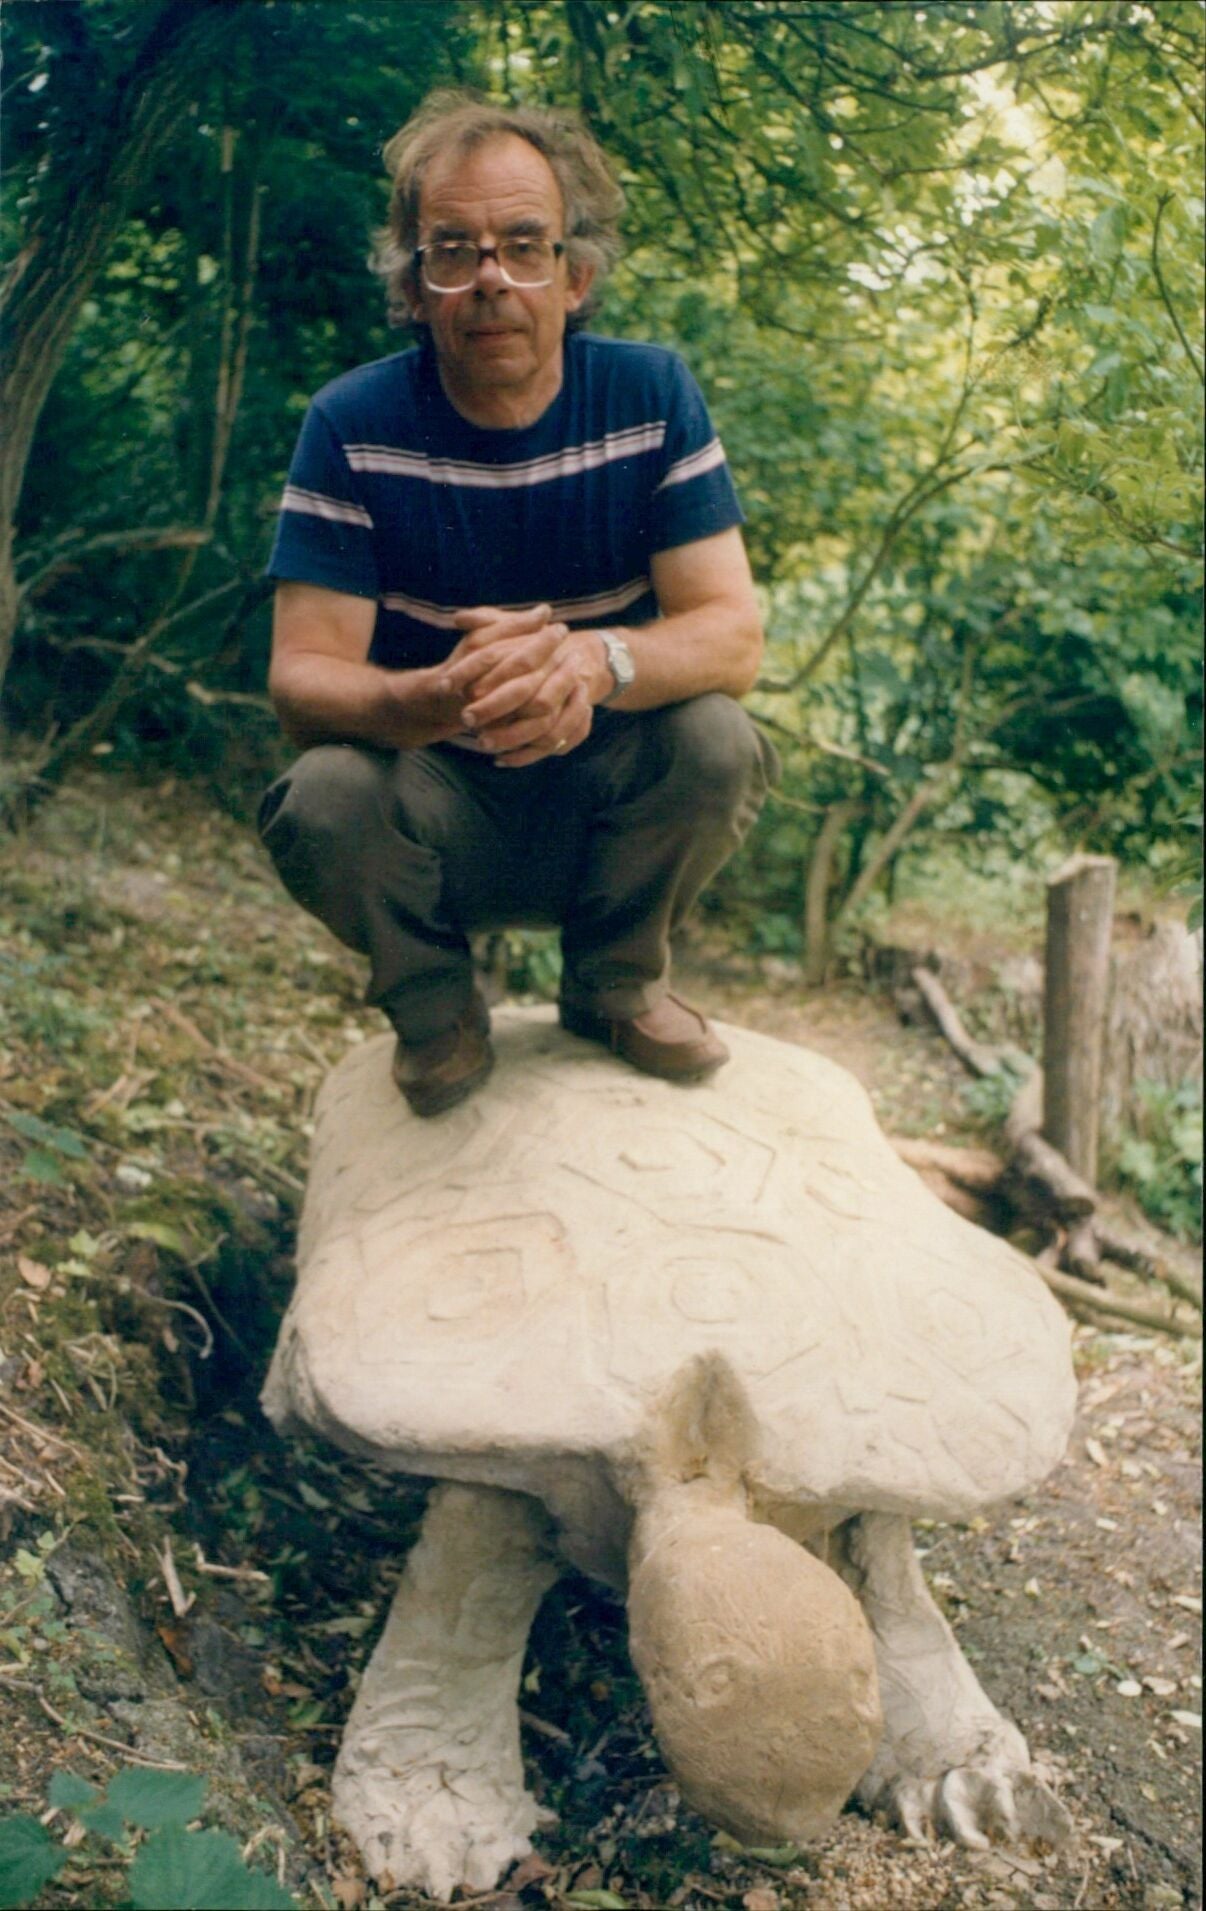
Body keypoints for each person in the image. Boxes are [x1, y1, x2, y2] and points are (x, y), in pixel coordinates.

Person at [259, 91, 778, 1117]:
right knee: (321, 796)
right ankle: (436, 1008)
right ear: (415, 287)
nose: (490, 278)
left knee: (719, 740)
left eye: (524, 246)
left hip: (609, 805)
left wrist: (591, 662)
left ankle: (617, 983)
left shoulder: (650, 397)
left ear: (574, 275)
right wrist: (431, 697)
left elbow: (733, 638)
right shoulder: (351, 423)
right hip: (435, 814)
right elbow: (300, 679)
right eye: (453, 251)